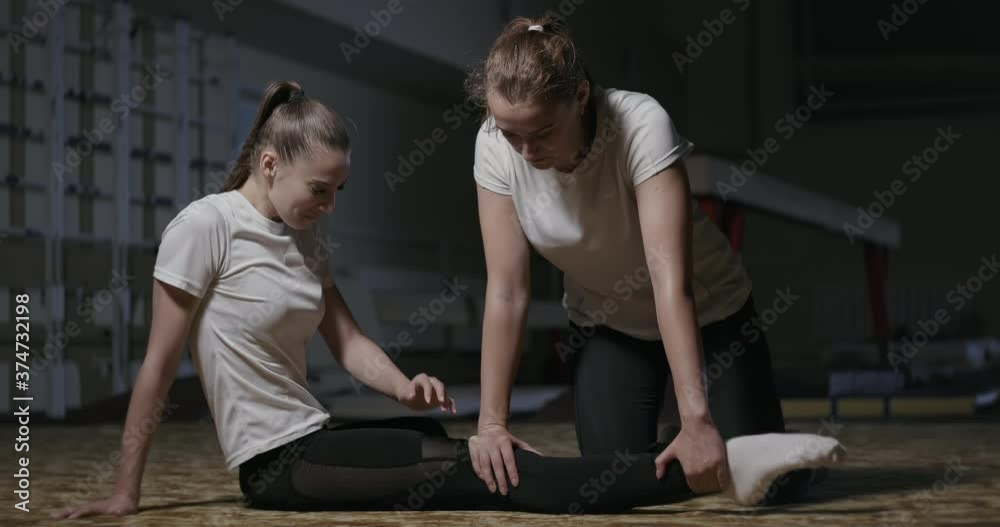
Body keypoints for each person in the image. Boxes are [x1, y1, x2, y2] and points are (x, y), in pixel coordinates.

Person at [50, 80, 843, 519]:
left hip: (315, 432)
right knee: (493, 469)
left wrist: (403, 384)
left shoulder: (304, 239)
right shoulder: (203, 227)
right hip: (276, 463)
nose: (329, 205)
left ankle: (620, 461)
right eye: (319, 190)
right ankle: (720, 472)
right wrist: (128, 489)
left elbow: (349, 341)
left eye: (339, 191)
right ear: (268, 163)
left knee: (438, 431)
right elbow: (156, 368)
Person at [466, 16, 816, 501]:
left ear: (581, 97)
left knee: (759, 488)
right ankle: (686, 450)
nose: (525, 152)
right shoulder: (492, 143)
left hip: (713, 314)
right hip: (609, 323)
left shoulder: (640, 123)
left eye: (543, 132)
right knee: (616, 485)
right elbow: (507, 290)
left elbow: (670, 280)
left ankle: (784, 457)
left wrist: (696, 421)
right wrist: (491, 424)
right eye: (511, 134)